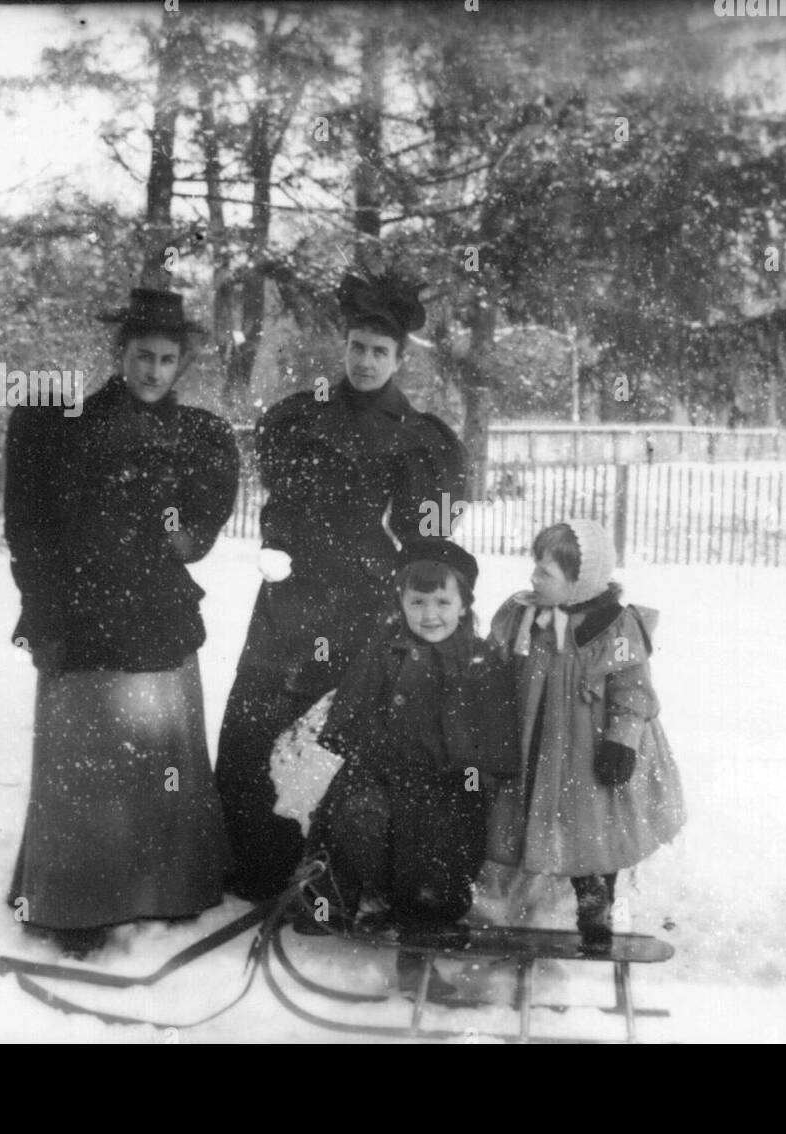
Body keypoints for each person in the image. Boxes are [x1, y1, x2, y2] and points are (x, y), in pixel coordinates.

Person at [216, 271, 468, 903]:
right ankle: (257, 869)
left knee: (348, 739)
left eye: (379, 352)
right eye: (357, 347)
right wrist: (276, 544)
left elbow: (426, 540)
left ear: (400, 359)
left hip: (365, 606)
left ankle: (337, 874)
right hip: (292, 600)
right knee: (255, 724)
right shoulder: (302, 418)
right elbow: (282, 503)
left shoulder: (418, 440)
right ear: (344, 347)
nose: (364, 361)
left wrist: (435, 606)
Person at [4, 288, 239, 956]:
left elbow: (201, 524)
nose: (154, 371)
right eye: (143, 355)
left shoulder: (198, 435)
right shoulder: (70, 423)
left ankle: (163, 891)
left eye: (167, 359)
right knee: (87, 771)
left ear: (181, 364)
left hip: (157, 617)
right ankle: (78, 901)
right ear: (121, 353)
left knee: (161, 762)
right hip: (85, 615)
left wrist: (187, 533)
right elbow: (34, 529)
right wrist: (43, 610)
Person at [309, 538, 517, 997]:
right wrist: (381, 756)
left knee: (434, 850)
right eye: (417, 601)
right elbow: (350, 720)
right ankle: (354, 900)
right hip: (382, 776)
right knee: (361, 816)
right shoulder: (385, 654)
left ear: (464, 605)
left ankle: (419, 947)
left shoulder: (480, 662)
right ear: (400, 601)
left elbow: (497, 737)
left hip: (448, 789)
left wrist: (466, 766)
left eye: (443, 601)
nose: (429, 614)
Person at [485, 519, 686, 951]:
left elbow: (632, 690)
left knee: (590, 827)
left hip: (587, 749)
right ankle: (513, 895)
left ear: (580, 582)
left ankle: (595, 900)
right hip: (532, 741)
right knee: (522, 811)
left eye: (546, 573)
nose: (533, 578)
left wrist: (623, 740)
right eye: (535, 567)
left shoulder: (613, 628)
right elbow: (493, 664)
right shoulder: (523, 615)